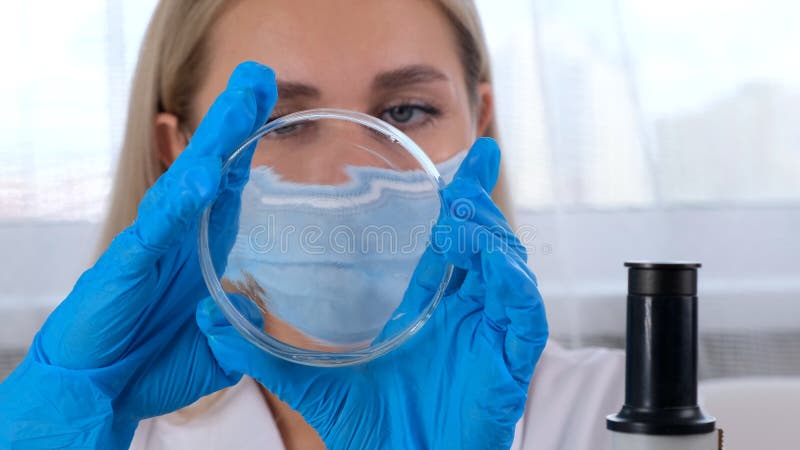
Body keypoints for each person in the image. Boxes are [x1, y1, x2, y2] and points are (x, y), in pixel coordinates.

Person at [0, 1, 624, 449]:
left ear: (478, 123)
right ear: (180, 151)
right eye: (286, 122)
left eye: (405, 111)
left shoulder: (620, 415)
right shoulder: (112, 424)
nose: (347, 177)